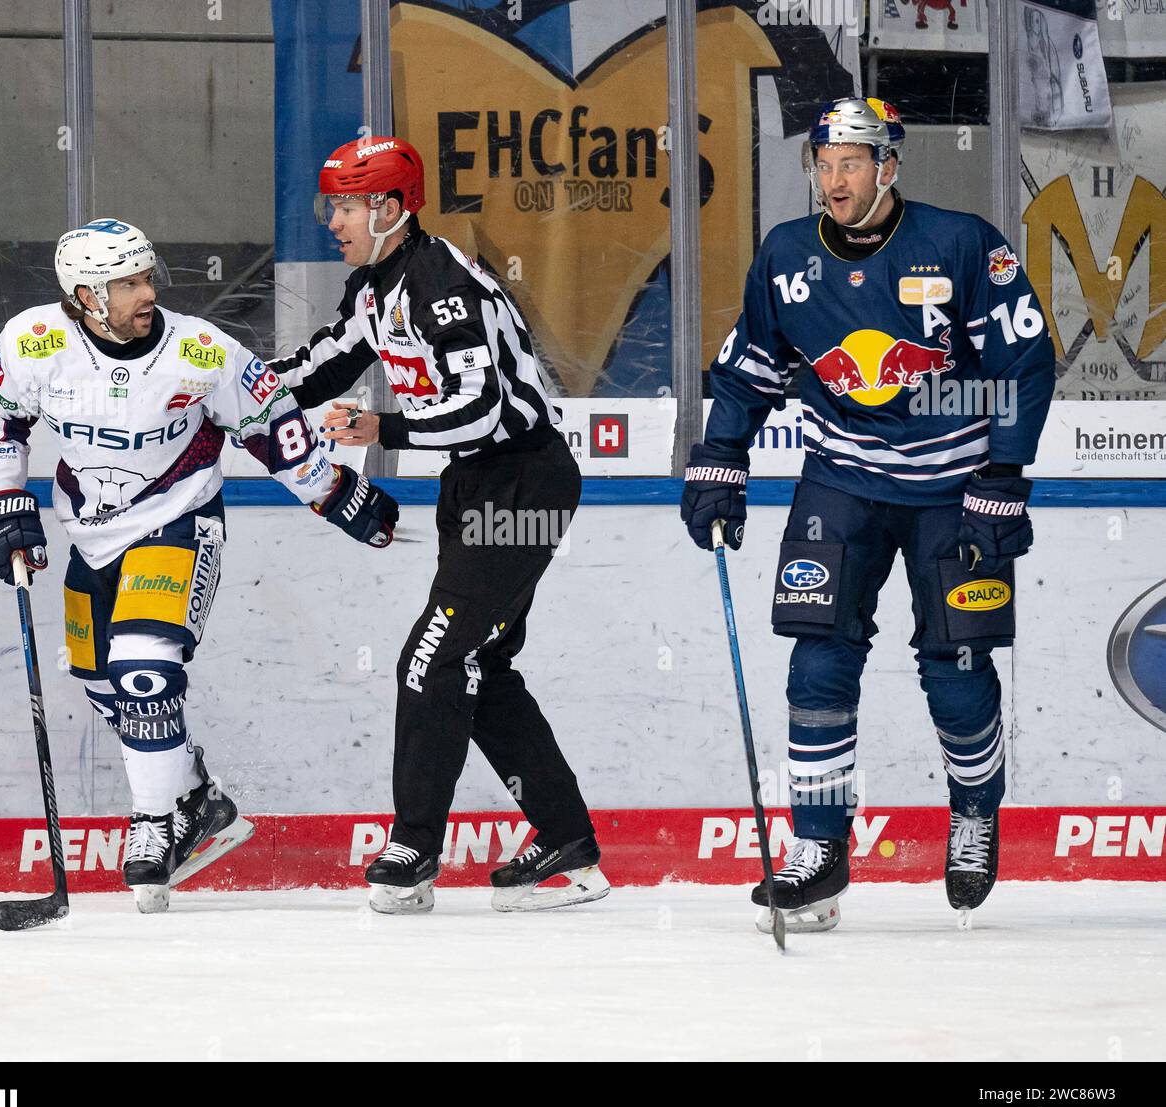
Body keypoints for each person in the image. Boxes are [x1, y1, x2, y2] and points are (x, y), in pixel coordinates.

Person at [681, 98, 1055, 931]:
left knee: (955, 676)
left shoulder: (961, 243)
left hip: (952, 493)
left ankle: (973, 810)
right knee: (818, 667)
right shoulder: (785, 255)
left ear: (888, 167)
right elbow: (748, 369)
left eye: (852, 162)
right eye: (825, 162)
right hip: (839, 485)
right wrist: (720, 457)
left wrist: (1004, 472)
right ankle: (818, 848)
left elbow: (1025, 362)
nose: (835, 178)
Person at [0, 218, 398, 912]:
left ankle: (154, 822)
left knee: (144, 669)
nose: (148, 291)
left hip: (179, 522)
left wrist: (334, 493)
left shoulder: (200, 351)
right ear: (85, 295)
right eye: (128, 283)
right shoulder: (32, 342)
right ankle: (198, 799)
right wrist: (5, 501)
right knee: (101, 682)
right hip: (90, 535)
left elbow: (273, 428)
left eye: (147, 277)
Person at [269, 136, 606, 914]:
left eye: (346, 206)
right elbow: (316, 368)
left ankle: (414, 846)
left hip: (524, 483)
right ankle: (566, 841)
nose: (333, 220)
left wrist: (381, 431)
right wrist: (223, 383)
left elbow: (483, 408)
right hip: (477, 483)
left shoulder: (437, 282)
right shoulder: (375, 287)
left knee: (430, 660)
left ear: (390, 208)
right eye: (333, 205)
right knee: (478, 669)